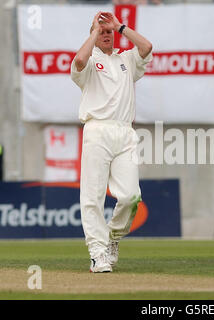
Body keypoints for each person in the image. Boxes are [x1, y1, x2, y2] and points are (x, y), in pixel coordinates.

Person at [71, 12, 152, 273]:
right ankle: (97, 253)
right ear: (93, 34)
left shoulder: (125, 58)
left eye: (109, 32)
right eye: (101, 31)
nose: (106, 35)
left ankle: (113, 238)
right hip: (97, 130)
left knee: (131, 196)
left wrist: (120, 27)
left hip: (125, 132)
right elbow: (79, 60)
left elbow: (147, 47)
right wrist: (94, 30)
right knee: (92, 197)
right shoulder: (91, 60)